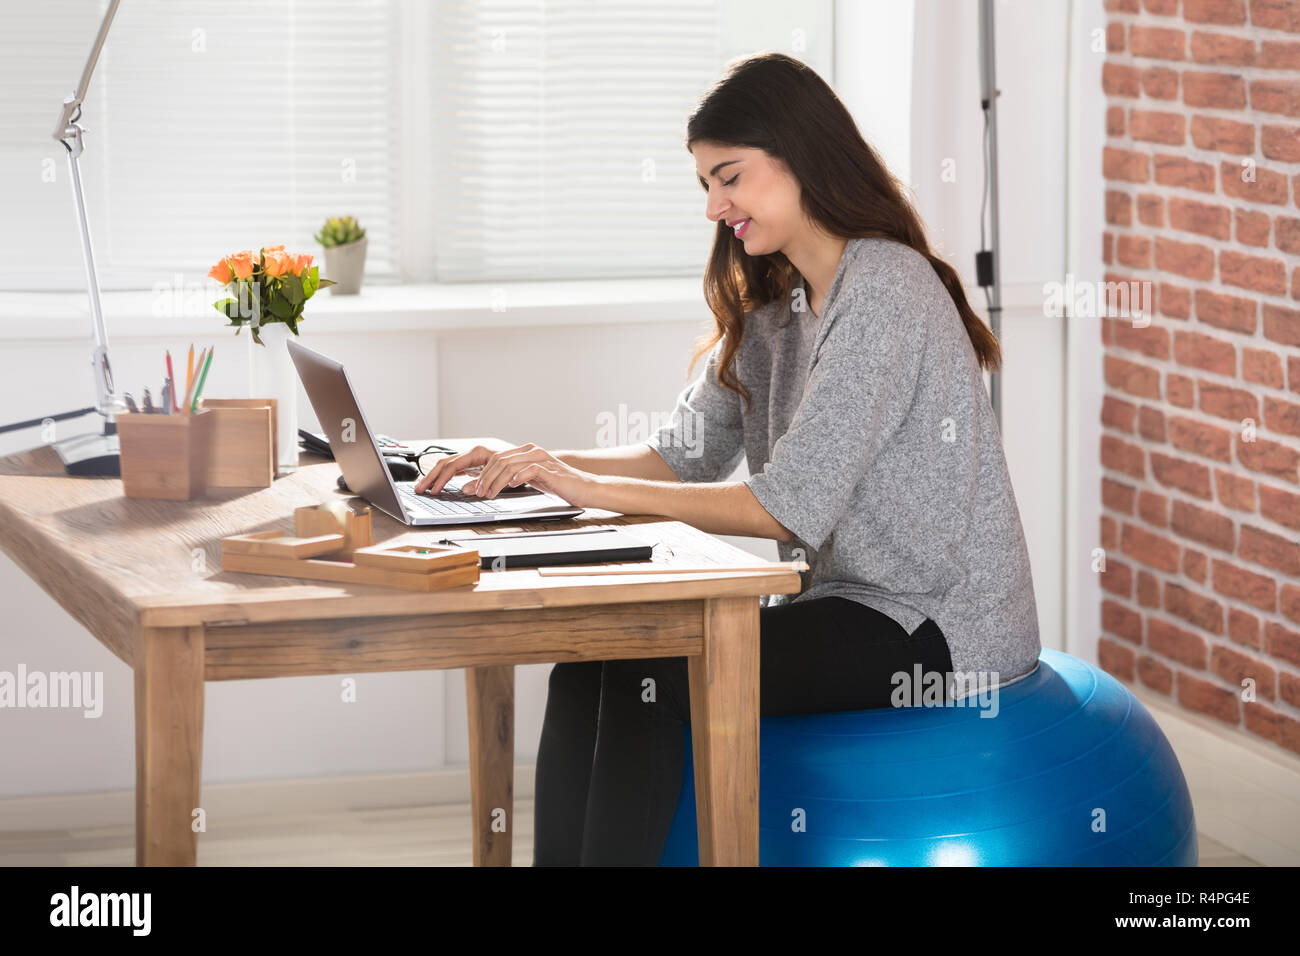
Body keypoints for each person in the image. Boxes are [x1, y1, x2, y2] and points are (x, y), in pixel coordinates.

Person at [415, 52, 1041, 866]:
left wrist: (585, 489)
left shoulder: (886, 288)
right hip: (844, 601)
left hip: (935, 622)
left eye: (730, 177)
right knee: (587, 662)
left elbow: (782, 505)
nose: (715, 206)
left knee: (658, 681)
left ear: (801, 155)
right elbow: (681, 455)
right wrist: (526, 461)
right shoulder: (777, 306)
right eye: (706, 185)